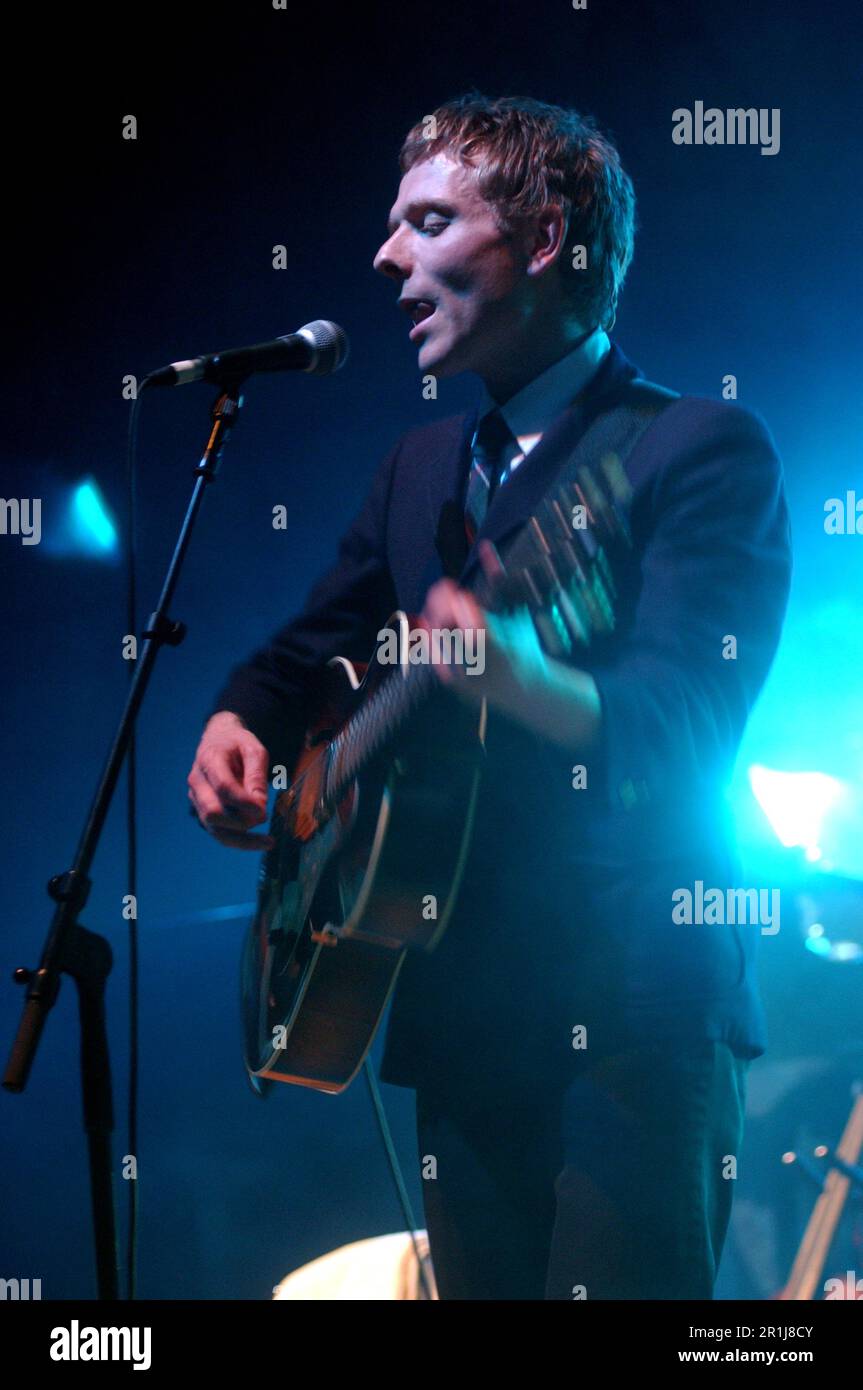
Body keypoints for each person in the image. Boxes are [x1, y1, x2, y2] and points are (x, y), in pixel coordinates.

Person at [187, 94, 792, 1299]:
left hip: (630, 1011)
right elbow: (305, 651)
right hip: (458, 1013)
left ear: (546, 237)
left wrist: (522, 680)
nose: (383, 258)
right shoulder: (420, 465)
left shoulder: (695, 446)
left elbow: (686, 729)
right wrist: (237, 718)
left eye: (425, 222)